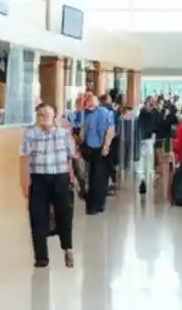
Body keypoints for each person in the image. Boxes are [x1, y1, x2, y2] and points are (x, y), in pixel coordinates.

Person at [20, 102, 77, 268]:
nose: (43, 118)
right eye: (40, 114)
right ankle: (41, 257)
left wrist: (73, 177)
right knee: (37, 217)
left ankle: (68, 248)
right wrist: (24, 182)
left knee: (64, 215)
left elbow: (71, 156)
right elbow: (24, 158)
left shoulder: (63, 133)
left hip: (60, 177)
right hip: (38, 179)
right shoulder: (30, 133)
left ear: (54, 116)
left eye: (46, 114)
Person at [79, 93, 116, 215]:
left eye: (91, 99)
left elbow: (110, 130)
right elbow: (83, 132)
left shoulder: (103, 112)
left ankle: (96, 205)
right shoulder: (86, 114)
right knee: (93, 177)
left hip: (101, 149)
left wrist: (105, 147)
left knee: (99, 177)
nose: (89, 102)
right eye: (87, 100)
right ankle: (95, 204)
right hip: (91, 150)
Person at [135, 96, 158, 195]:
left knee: (144, 156)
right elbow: (153, 127)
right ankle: (146, 173)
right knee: (147, 156)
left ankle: (143, 173)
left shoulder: (142, 115)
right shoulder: (150, 115)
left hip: (143, 138)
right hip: (147, 138)